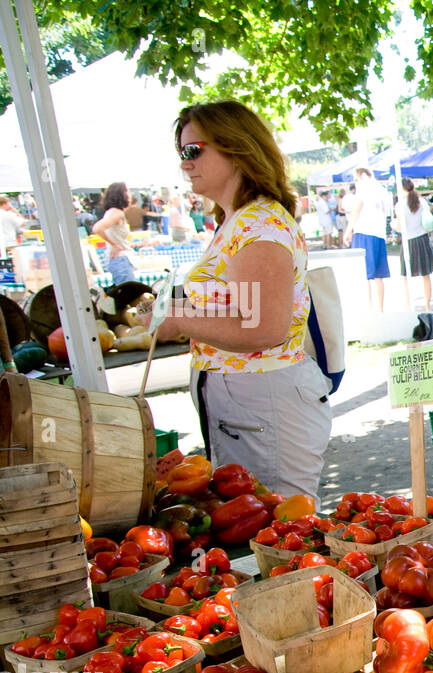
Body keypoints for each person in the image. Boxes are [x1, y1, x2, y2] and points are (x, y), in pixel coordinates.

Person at [155, 99, 333, 500]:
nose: (185, 163)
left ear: (236, 148)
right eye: (181, 152)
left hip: (263, 403)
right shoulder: (239, 220)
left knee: (280, 531)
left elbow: (261, 328)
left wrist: (180, 320)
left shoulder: (257, 224)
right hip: (252, 403)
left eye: (193, 151)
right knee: (267, 529)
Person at [343, 166, 392, 313]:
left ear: (363, 176)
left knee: (363, 273)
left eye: (357, 179)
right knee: (378, 275)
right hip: (379, 234)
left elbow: (356, 211)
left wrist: (348, 230)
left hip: (364, 232)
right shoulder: (381, 190)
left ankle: (369, 308)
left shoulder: (364, 190)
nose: (356, 182)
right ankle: (380, 309)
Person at [395, 177, 433, 308]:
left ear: (402, 188)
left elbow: (401, 228)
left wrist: (393, 226)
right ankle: (427, 304)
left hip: (409, 241)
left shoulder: (400, 205)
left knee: (405, 276)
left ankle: (408, 304)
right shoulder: (422, 202)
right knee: (426, 275)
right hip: (423, 239)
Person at [92, 182, 136, 283]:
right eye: (127, 191)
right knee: (129, 295)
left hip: (118, 260)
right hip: (121, 260)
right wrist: (115, 245)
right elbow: (97, 228)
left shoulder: (111, 212)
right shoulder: (117, 213)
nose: (130, 195)